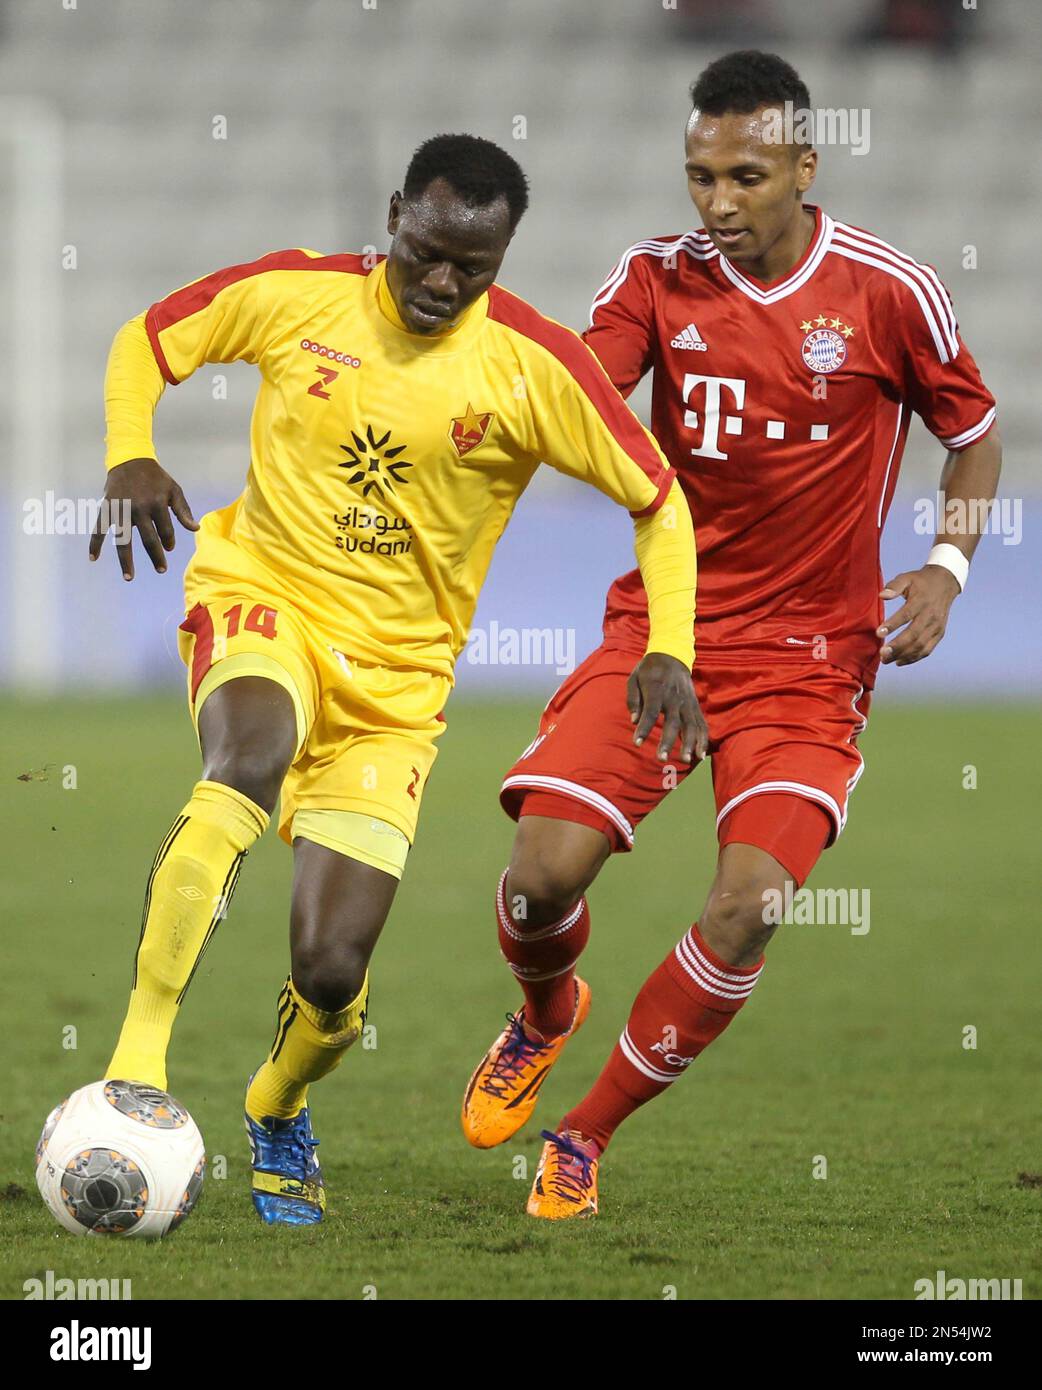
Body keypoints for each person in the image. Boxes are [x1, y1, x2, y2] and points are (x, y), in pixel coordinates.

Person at [91, 132, 705, 1226]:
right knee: (248, 758)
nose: (440, 282)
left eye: (472, 266)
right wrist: (129, 448)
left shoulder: (534, 365)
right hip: (264, 595)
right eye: (424, 250)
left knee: (329, 973)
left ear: (503, 255)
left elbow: (659, 501)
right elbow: (148, 337)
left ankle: (276, 1100)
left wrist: (672, 646)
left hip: (398, 687)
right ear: (393, 214)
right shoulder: (295, 294)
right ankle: (136, 1063)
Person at [460, 52, 1001, 1219]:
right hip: (664, 636)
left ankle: (585, 1134)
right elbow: (580, 404)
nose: (716, 202)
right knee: (540, 881)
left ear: (803, 167)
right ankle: (546, 1011)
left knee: (749, 903)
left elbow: (975, 431)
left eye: (744, 176)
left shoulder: (887, 291)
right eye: (699, 176)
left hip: (810, 663)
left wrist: (945, 570)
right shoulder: (655, 281)